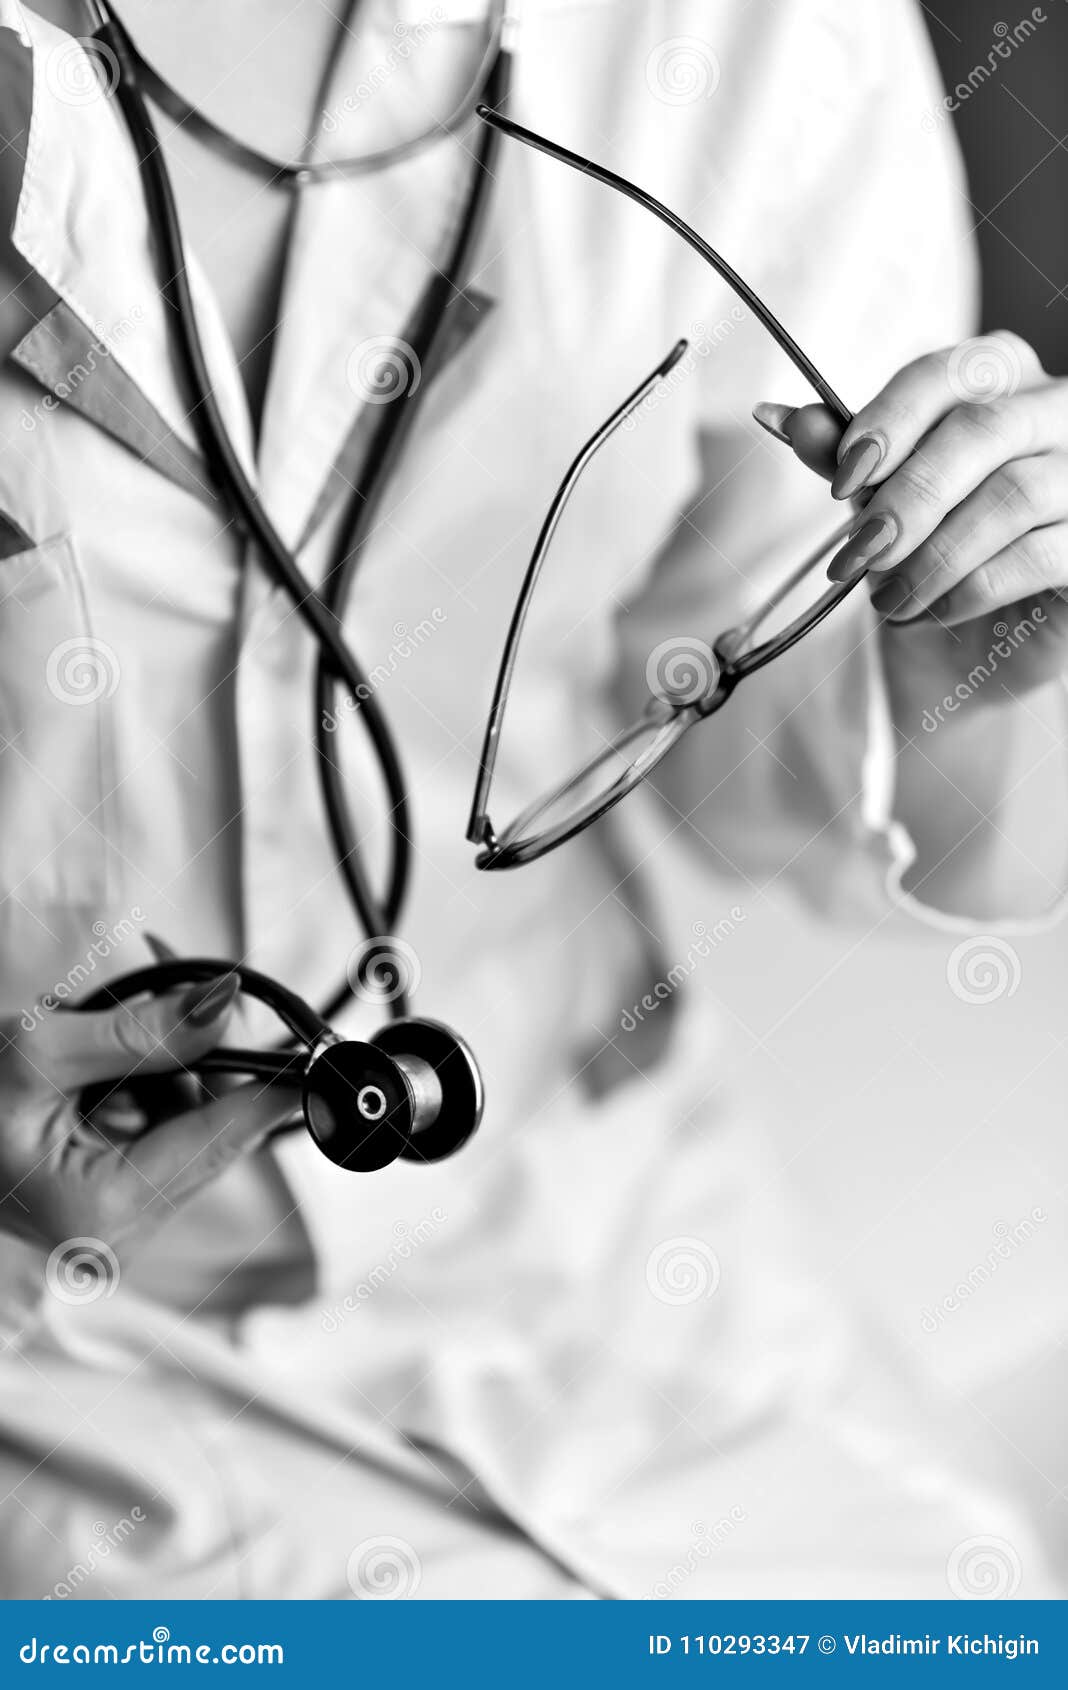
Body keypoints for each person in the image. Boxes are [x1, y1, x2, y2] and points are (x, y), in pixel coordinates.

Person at [0, 0, 1064, 1600]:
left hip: (609, 1265)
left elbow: (769, 773)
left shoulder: (751, 35)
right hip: (65, 1364)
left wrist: (967, 677)